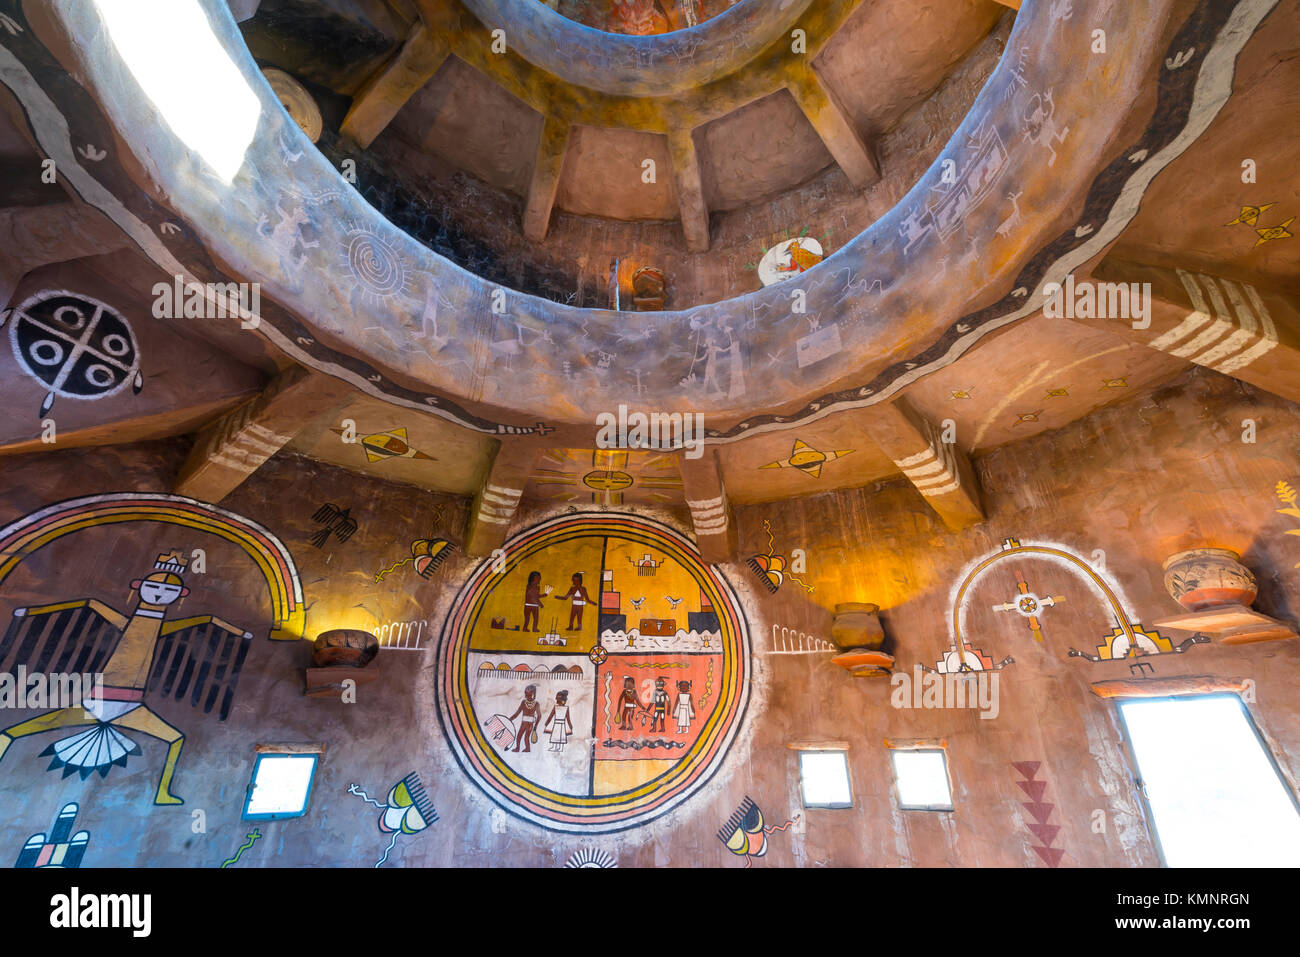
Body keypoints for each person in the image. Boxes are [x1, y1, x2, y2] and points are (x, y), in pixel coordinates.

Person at [507, 685, 541, 752]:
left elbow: (539, 716)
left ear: (534, 694)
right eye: (526, 695)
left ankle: (527, 748)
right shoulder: (523, 702)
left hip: (530, 724)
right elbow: (517, 713)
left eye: (530, 695)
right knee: (519, 736)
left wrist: (535, 726)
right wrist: (510, 719)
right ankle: (518, 748)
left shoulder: (536, 703)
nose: (528, 697)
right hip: (524, 723)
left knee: (526, 737)